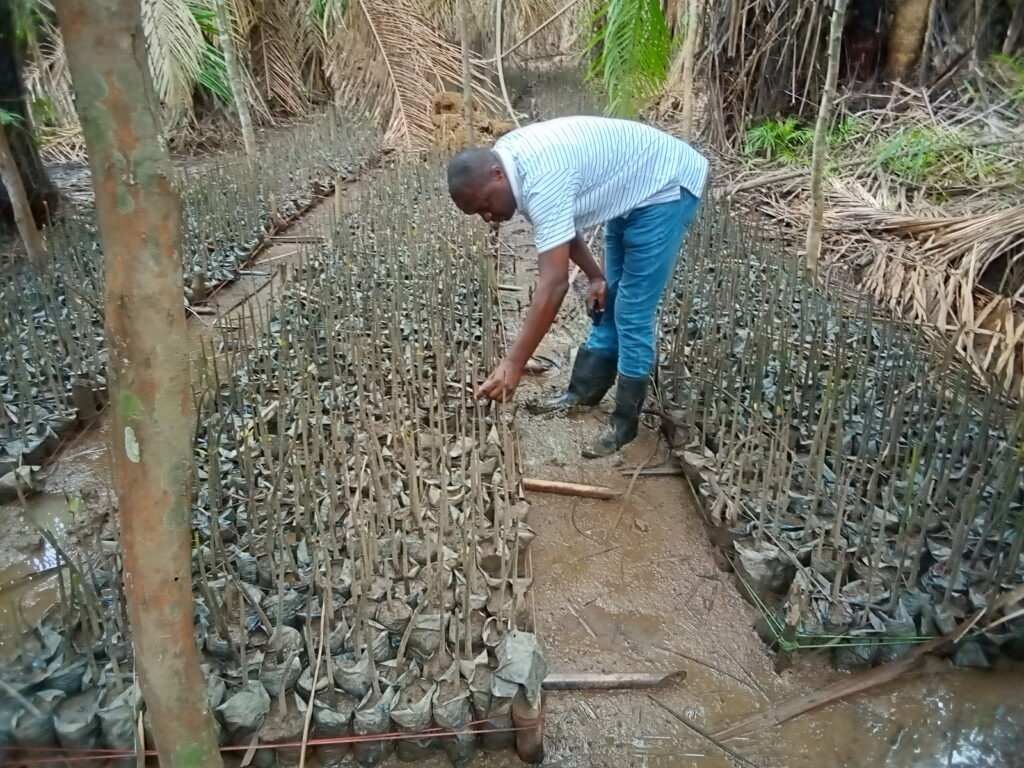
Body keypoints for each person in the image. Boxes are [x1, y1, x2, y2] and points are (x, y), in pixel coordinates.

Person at [446, 115, 707, 458]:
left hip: (666, 186)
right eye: (478, 214)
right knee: (610, 297)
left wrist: (513, 363)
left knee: (631, 312)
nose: (489, 217)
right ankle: (584, 392)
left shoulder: (541, 179)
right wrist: (597, 276)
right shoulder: (510, 163)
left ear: (496, 175)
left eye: (484, 205)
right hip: (631, 187)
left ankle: (623, 425)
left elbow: (554, 284)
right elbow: (561, 227)